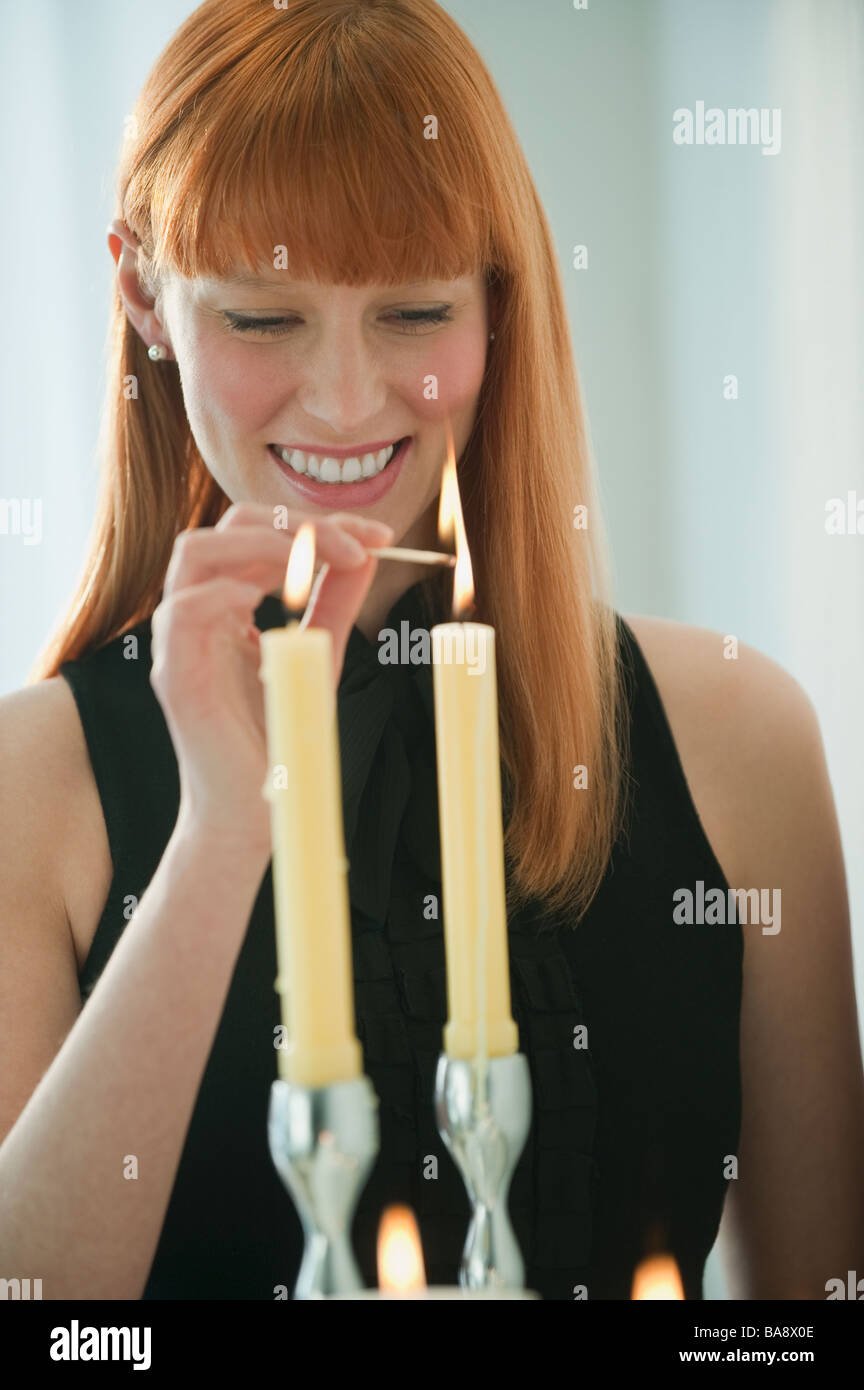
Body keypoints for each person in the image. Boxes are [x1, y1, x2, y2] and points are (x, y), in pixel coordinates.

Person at [1, 0, 862, 1302]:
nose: (345, 399)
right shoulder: (33, 789)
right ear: (144, 295)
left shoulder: (741, 738)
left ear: (496, 304)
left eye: (412, 312)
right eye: (263, 318)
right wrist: (222, 831)